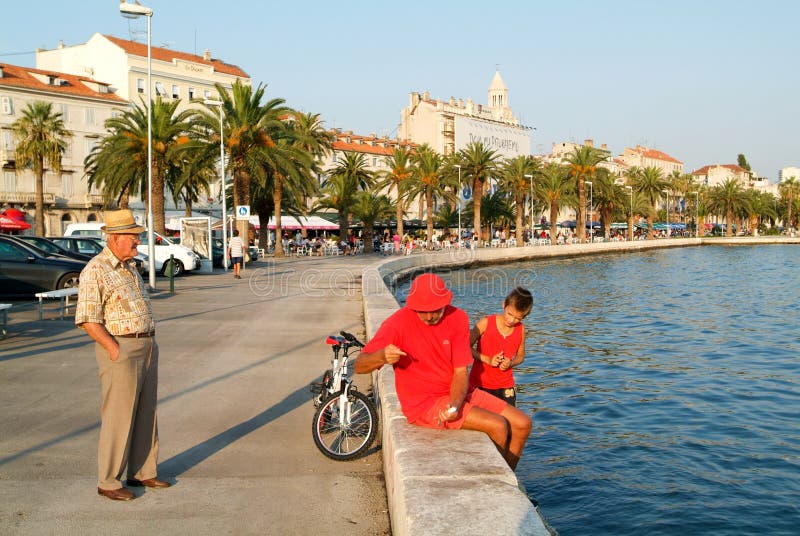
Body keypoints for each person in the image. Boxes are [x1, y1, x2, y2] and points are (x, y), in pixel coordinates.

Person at [355, 273, 532, 470]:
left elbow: (460, 372)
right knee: (498, 425)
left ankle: (509, 481)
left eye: (435, 310)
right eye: (422, 311)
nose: (429, 316)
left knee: (522, 423)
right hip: (424, 403)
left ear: (445, 302)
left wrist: (455, 406)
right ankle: (499, 485)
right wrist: (381, 356)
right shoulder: (397, 323)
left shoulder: (457, 318)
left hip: (458, 393)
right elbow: (360, 365)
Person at [75, 209, 171, 501]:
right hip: (121, 348)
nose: (137, 243)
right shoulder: (96, 269)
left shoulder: (129, 267)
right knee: (118, 415)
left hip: (146, 347)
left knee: (146, 412)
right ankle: (109, 481)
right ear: (115, 238)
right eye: (133, 238)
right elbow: (88, 318)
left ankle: (142, 471)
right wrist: (114, 349)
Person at [469, 287, 533, 407]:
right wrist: (487, 359)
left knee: (508, 423)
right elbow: (465, 347)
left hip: (506, 387)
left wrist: (511, 363)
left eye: (518, 318)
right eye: (510, 314)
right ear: (504, 304)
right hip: (479, 384)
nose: (511, 320)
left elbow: (520, 357)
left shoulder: (521, 330)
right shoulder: (485, 323)